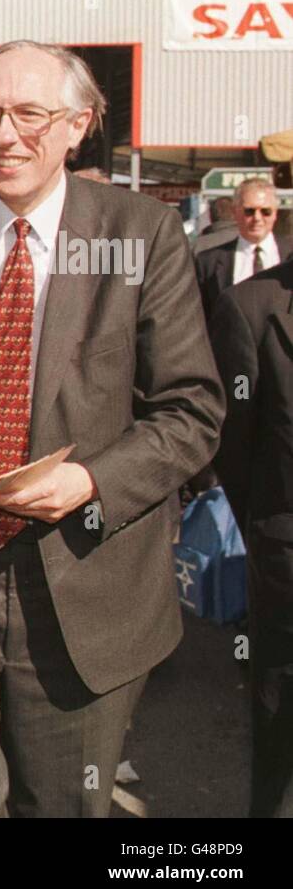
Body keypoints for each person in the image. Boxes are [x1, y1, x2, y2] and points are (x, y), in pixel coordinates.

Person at [0, 40, 224, 817]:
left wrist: (92, 480)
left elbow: (192, 409)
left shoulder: (144, 235)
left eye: (30, 114)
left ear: (79, 125)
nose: (5, 134)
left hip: (84, 587)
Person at [208, 257, 293, 817]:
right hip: (287, 560)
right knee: (281, 715)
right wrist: (269, 532)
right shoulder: (251, 306)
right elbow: (233, 448)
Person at [195, 178, 292, 320]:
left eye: (266, 211)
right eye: (249, 211)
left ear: (275, 213)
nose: (257, 218)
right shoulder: (208, 261)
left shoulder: (290, 254)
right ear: (235, 212)